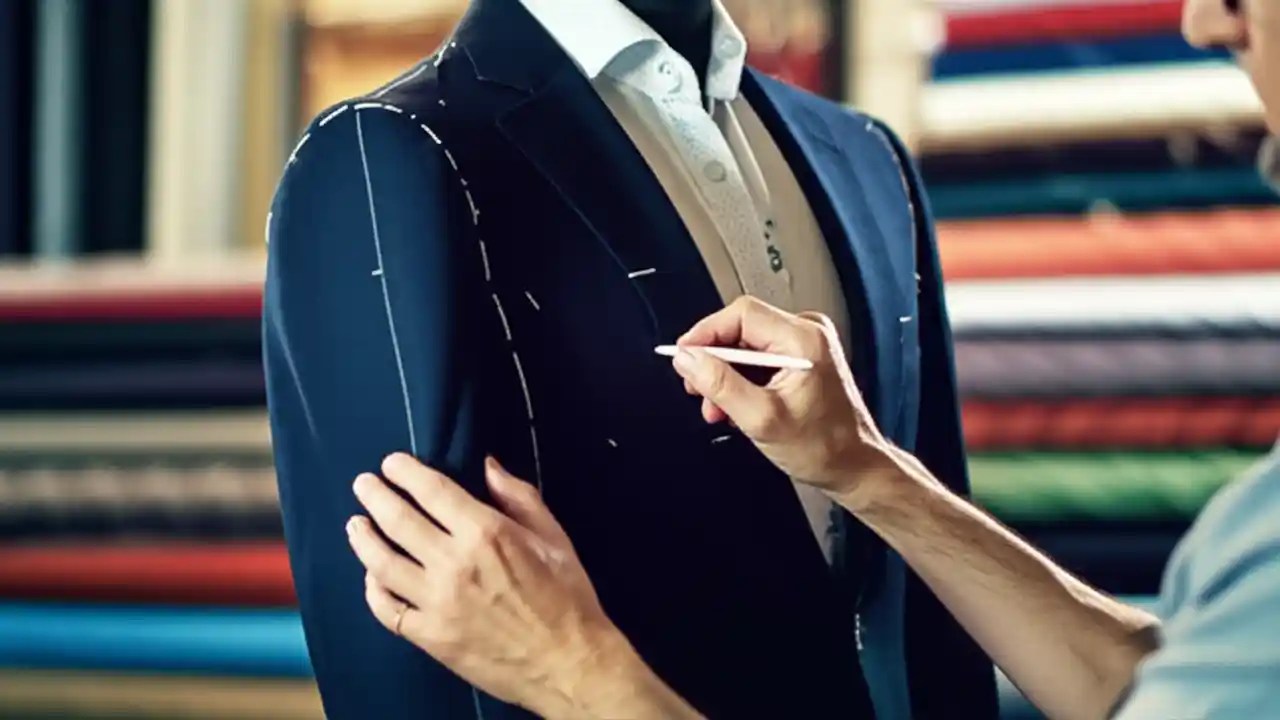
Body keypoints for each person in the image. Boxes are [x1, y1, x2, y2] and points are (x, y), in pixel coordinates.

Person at [343, 0, 1280, 718]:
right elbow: (1136, 689)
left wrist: (575, 672)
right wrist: (867, 473)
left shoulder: (864, 159)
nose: (1202, 18)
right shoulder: (393, 154)